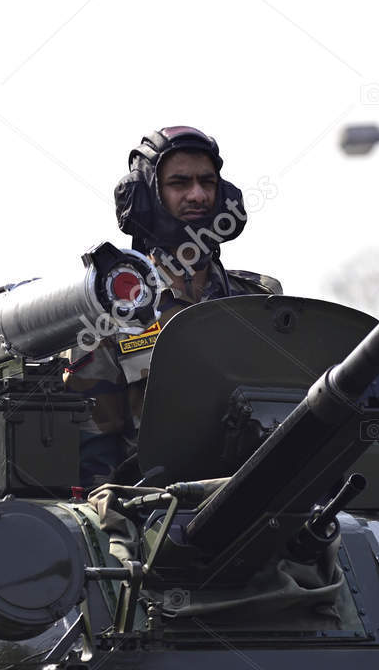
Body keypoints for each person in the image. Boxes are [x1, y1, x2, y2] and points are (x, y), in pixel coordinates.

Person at [65, 126, 281, 486]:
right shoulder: (108, 311)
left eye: (207, 182)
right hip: (154, 508)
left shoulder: (259, 303)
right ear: (146, 198)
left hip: (257, 496)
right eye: (180, 183)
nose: (198, 195)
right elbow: (94, 458)